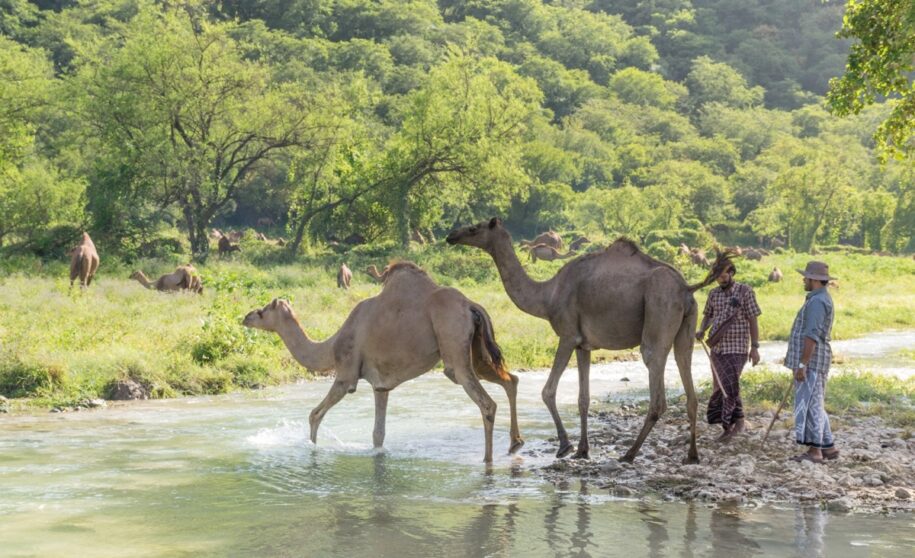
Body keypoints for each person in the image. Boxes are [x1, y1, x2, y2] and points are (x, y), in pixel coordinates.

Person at [696, 257, 761, 442]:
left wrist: (754, 347)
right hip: (717, 348)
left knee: (728, 385)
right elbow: (708, 315)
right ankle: (735, 421)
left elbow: (753, 319)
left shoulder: (745, 291)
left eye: (724, 275)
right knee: (720, 387)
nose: (721, 279)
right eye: (717, 277)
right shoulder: (713, 294)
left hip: (738, 348)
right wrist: (702, 329)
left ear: (731, 273)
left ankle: (732, 425)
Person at [785, 261, 839, 463]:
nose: (803, 280)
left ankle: (814, 451)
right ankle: (829, 447)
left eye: (806, 277)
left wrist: (802, 364)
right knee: (816, 402)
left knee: (809, 405)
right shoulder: (818, 298)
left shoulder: (817, 302)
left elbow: (812, 335)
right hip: (816, 361)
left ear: (814, 280)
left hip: (812, 361)